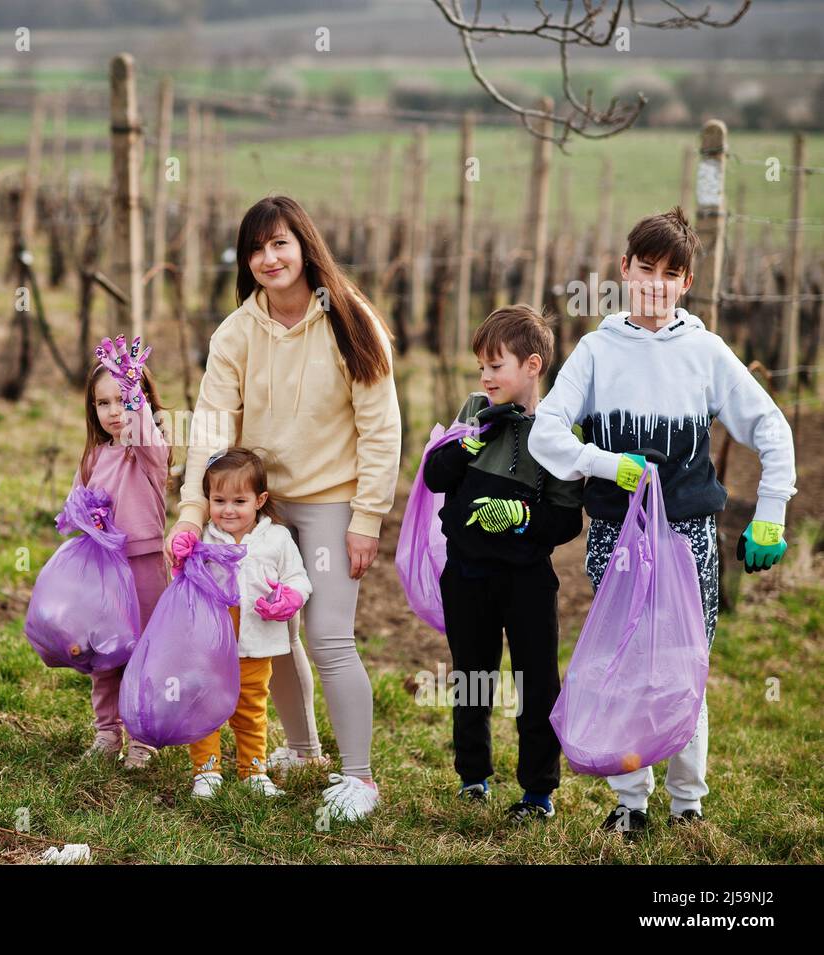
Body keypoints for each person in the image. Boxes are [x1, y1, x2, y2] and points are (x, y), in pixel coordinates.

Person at [529, 206, 797, 836]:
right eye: (643, 268)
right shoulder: (596, 351)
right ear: (624, 269)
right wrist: (606, 464)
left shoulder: (705, 353)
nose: (654, 282)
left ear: (686, 282)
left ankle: (688, 805)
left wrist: (771, 514)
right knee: (626, 663)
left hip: (690, 536)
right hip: (617, 538)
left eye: (669, 273)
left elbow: (772, 429)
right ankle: (630, 802)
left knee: (683, 663)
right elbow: (547, 433)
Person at [164, 195, 402, 822]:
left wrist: (367, 518)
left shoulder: (352, 322)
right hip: (261, 506)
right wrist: (193, 514)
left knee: (326, 637)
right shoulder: (236, 333)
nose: (268, 258)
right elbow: (213, 430)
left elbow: (381, 429)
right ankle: (301, 750)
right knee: (271, 632)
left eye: (280, 244)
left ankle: (360, 779)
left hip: (331, 502)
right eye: (256, 248)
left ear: (305, 247)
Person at [422, 305, 583, 821]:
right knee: (472, 676)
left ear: (533, 365)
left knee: (538, 683)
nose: (486, 377)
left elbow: (566, 523)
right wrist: (470, 442)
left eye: (497, 366)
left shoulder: (557, 431)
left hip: (527, 580)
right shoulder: (475, 409)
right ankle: (474, 777)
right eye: (481, 368)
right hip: (467, 573)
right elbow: (436, 477)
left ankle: (538, 792)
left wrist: (521, 517)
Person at [169, 448, 312, 800]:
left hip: (255, 646)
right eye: (218, 500)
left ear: (260, 500)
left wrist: (291, 597)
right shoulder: (204, 538)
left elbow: (298, 578)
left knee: (251, 709)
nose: (228, 510)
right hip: (209, 649)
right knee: (204, 707)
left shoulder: (276, 539)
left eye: (239, 501)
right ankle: (206, 771)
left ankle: (253, 771)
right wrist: (180, 557)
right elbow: (184, 583)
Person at [73, 335, 173, 770]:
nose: (115, 412)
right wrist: (83, 520)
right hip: (104, 568)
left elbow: (142, 429)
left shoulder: (149, 452)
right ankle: (107, 730)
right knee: (105, 651)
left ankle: (142, 736)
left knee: (143, 650)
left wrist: (136, 396)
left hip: (146, 564)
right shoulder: (94, 457)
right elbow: (74, 506)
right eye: (104, 403)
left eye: (124, 400)